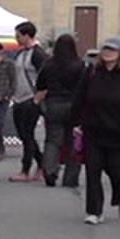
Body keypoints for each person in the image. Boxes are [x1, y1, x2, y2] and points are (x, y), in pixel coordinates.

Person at [75, 38, 120, 224]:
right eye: (105, 49)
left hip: (118, 132)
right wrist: (76, 123)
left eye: (112, 50)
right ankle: (94, 211)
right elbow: (80, 98)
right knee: (93, 171)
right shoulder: (92, 72)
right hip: (94, 130)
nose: (108, 53)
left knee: (116, 172)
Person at [35, 33, 86, 190]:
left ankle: (49, 171)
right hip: (73, 104)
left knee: (52, 140)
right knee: (73, 141)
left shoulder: (49, 64)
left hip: (53, 103)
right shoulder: (79, 64)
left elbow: (40, 84)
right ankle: (70, 177)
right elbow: (84, 87)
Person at [8, 21, 49, 182]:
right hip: (19, 98)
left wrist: (40, 96)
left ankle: (25, 169)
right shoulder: (20, 54)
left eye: (18, 35)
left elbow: (46, 76)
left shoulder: (39, 54)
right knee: (23, 134)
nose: (16, 39)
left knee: (27, 133)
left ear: (27, 35)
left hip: (32, 99)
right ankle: (41, 163)